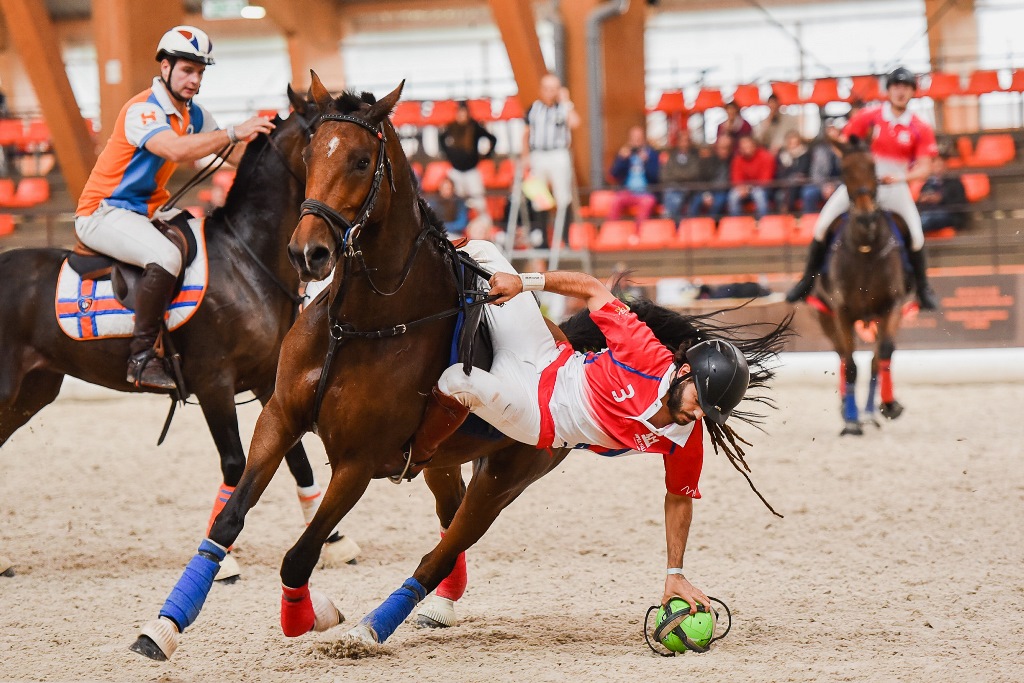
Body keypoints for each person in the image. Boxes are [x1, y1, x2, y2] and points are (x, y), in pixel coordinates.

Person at [410, 238, 765, 613]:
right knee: (481, 247)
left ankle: (411, 457)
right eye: (698, 402)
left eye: (707, 413)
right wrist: (523, 282)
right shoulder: (644, 353)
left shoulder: (684, 436)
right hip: (546, 359)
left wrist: (674, 572)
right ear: (685, 372)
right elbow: (592, 288)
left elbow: (679, 498)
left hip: (543, 419)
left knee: (461, 387)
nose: (698, 417)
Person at [75, 26, 275, 389]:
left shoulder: (195, 115)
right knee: (165, 257)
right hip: (101, 213)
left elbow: (235, 156)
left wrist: (280, 151)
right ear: (165, 68)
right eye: (187, 70)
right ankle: (141, 358)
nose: (194, 80)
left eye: (200, 72)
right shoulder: (142, 110)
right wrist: (234, 131)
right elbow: (175, 149)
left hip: (146, 214)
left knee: (207, 242)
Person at [786, 67, 940, 310]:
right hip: (861, 187)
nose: (900, 92)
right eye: (896, 86)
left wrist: (901, 177)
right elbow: (845, 147)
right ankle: (806, 281)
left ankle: (923, 288)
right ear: (888, 90)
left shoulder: (920, 127)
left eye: (906, 87)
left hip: (894, 187)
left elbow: (925, 167)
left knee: (916, 235)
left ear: (912, 92)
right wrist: (840, 147)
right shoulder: (868, 116)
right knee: (822, 226)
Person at [521, 73, 580, 248]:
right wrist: (525, 156)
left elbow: (575, 123)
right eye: (547, 89)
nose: (550, 92)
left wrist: (566, 101)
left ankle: (565, 238)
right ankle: (542, 240)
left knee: (563, 197)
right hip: (538, 154)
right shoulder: (533, 109)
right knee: (539, 197)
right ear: (541, 90)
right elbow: (526, 133)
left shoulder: (563, 108)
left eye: (553, 89)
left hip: (558, 153)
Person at [439, 102, 497, 229]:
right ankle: (461, 225)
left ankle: (486, 226)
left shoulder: (474, 127)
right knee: (458, 201)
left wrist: (486, 155)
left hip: (471, 171)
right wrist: (448, 154)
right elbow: (441, 139)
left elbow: (492, 138)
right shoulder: (451, 127)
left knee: (478, 200)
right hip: (456, 171)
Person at [608, 125, 660, 226]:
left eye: (639, 138)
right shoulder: (624, 154)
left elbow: (656, 176)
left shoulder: (652, 154)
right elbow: (614, 174)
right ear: (629, 140)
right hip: (627, 192)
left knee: (647, 202)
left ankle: (638, 232)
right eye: (634, 138)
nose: (636, 141)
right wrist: (621, 160)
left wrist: (647, 162)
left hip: (646, 193)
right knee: (616, 200)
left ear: (644, 139)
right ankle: (611, 230)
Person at [917, 152, 968, 233]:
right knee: (920, 217)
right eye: (936, 166)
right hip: (928, 212)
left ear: (945, 166)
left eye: (940, 165)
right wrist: (922, 199)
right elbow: (919, 202)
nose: (938, 169)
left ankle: (912, 234)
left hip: (949, 214)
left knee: (927, 218)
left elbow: (960, 203)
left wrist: (941, 199)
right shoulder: (928, 183)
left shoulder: (955, 182)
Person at [687, 134, 733, 221]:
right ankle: (691, 224)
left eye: (728, 148)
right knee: (694, 202)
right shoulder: (708, 161)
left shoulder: (732, 160)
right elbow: (700, 179)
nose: (725, 151)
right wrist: (706, 194)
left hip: (723, 192)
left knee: (720, 202)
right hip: (707, 190)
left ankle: (710, 224)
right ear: (716, 148)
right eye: (722, 148)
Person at [727, 135, 775, 219]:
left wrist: (749, 188)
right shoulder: (738, 159)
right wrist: (741, 187)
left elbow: (766, 178)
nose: (745, 149)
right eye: (743, 147)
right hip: (743, 188)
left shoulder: (766, 156)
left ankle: (762, 221)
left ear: (754, 145)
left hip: (762, 188)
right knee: (733, 196)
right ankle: (736, 221)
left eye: (747, 146)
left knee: (759, 195)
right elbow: (736, 176)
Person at [660, 133, 702, 220]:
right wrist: (683, 175)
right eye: (682, 141)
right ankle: (671, 221)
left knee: (677, 199)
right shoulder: (671, 157)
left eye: (687, 141)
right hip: (673, 188)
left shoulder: (695, 157)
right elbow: (664, 175)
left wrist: (675, 174)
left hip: (689, 189)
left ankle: (672, 221)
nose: (685, 144)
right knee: (671, 193)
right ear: (678, 142)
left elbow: (693, 174)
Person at [805, 121, 843, 212]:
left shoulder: (845, 149)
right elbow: (815, 173)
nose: (832, 133)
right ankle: (811, 219)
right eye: (830, 131)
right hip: (823, 184)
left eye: (834, 130)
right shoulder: (820, 150)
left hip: (840, 184)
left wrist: (834, 185)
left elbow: (848, 173)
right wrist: (824, 186)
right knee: (808, 194)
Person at [773, 131, 812, 213]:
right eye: (791, 143)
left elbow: (802, 170)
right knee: (779, 196)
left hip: (800, 186)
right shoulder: (782, 156)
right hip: (785, 186)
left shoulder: (805, 155)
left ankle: (788, 211)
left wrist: (790, 171)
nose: (793, 146)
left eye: (796, 143)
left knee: (797, 186)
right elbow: (780, 173)